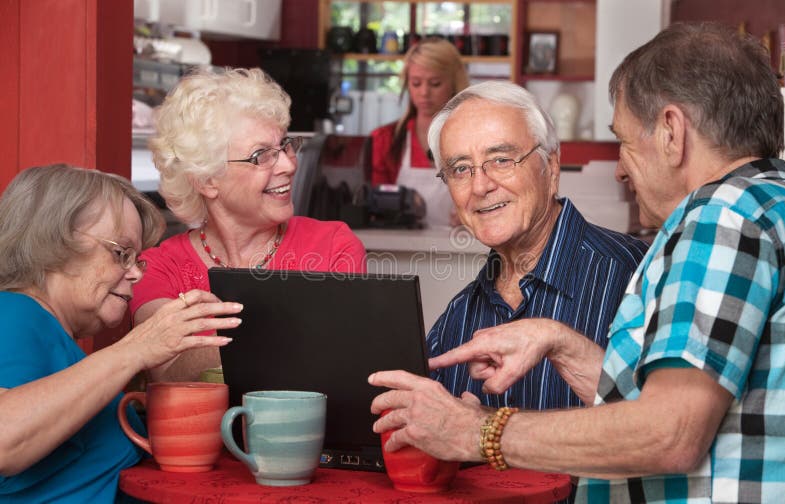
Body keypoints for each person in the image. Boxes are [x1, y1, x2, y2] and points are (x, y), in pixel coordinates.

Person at [370, 22, 785, 503]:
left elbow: (669, 433)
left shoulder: (724, 219)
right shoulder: (774, 207)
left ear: (672, 132)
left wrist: (477, 430)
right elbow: (666, 407)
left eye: (624, 141)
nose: (619, 168)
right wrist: (562, 343)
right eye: (460, 169)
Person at [0, 164, 244, 502]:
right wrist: (136, 349)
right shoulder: (15, 312)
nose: (136, 274)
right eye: (121, 253)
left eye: (137, 259)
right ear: (54, 241)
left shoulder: (55, 337)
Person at [131, 67, 367, 382]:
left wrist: (222, 337)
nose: (288, 164)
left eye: (285, 145)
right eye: (261, 155)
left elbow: (341, 363)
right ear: (207, 179)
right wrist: (288, 329)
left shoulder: (332, 245)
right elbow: (166, 372)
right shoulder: (158, 268)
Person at [425, 80, 648, 411]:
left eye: (501, 160)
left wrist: (486, 430)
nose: (480, 186)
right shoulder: (457, 317)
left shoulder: (633, 275)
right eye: (460, 169)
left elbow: (663, 426)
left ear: (551, 166)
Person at [370, 37, 469, 228]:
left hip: (461, 244)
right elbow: (375, 206)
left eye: (435, 83)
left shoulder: (474, 139)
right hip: (397, 245)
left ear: (454, 83)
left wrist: (476, 214)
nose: (424, 93)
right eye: (416, 83)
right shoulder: (386, 140)